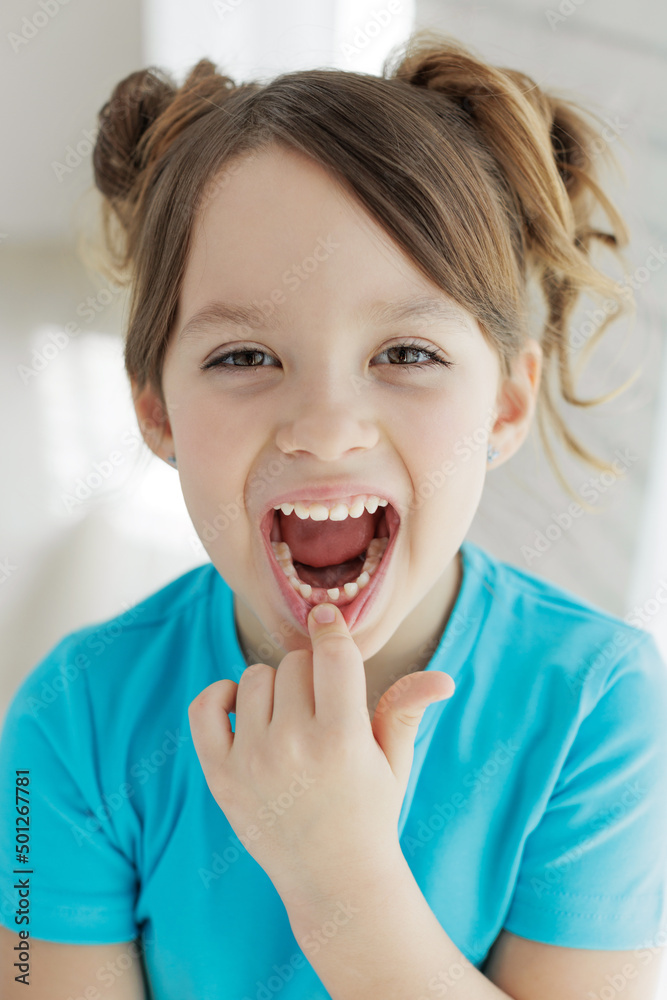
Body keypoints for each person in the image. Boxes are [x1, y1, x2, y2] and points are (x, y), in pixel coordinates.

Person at [1, 29, 666, 1000]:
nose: (323, 428)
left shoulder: (599, 708)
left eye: (405, 353)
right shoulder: (68, 724)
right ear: (156, 410)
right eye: (242, 357)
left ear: (505, 403)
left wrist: (339, 880)